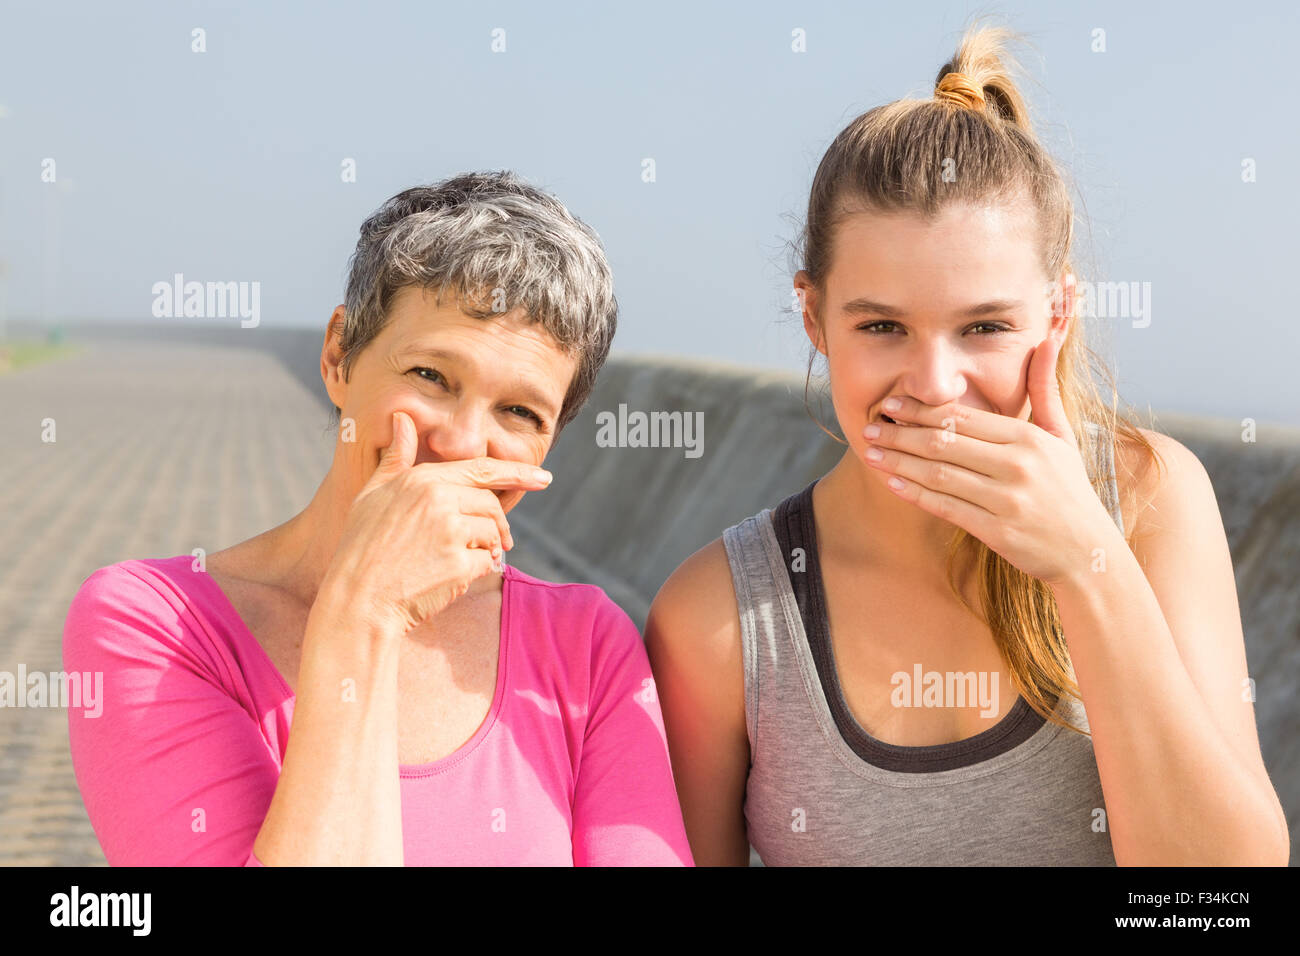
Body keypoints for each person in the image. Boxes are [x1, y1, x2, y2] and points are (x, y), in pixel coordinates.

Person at [644, 23, 1288, 866]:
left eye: (984, 326)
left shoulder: (1149, 502)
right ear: (813, 318)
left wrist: (1084, 562)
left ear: (1056, 315)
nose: (935, 383)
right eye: (882, 326)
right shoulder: (716, 621)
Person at [63, 171, 693, 866]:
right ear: (338, 356)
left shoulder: (587, 646)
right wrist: (364, 608)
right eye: (429, 375)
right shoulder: (152, 624)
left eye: (520, 412)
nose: (460, 441)